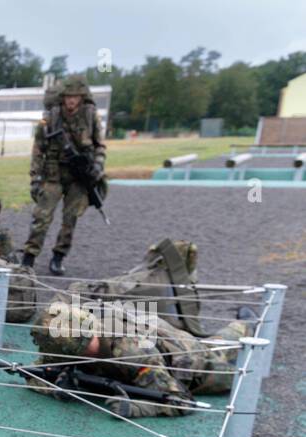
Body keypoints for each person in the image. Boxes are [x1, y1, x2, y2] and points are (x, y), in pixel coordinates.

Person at [26, 299, 252, 418]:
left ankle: (246, 324)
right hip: (159, 340)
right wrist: (57, 386)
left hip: (198, 366)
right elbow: (37, 373)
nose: (92, 345)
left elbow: (182, 401)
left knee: (231, 353)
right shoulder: (63, 340)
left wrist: (136, 409)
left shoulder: (130, 352)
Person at [22, 75, 106, 276]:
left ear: (82, 97)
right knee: (41, 217)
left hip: (79, 178)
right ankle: (28, 257)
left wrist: (97, 166)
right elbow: (37, 150)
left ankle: (59, 256)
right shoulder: (51, 117)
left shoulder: (90, 116)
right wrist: (35, 178)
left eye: (75, 96)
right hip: (53, 174)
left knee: (70, 219)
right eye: (68, 96)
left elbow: (100, 146)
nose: (71, 100)